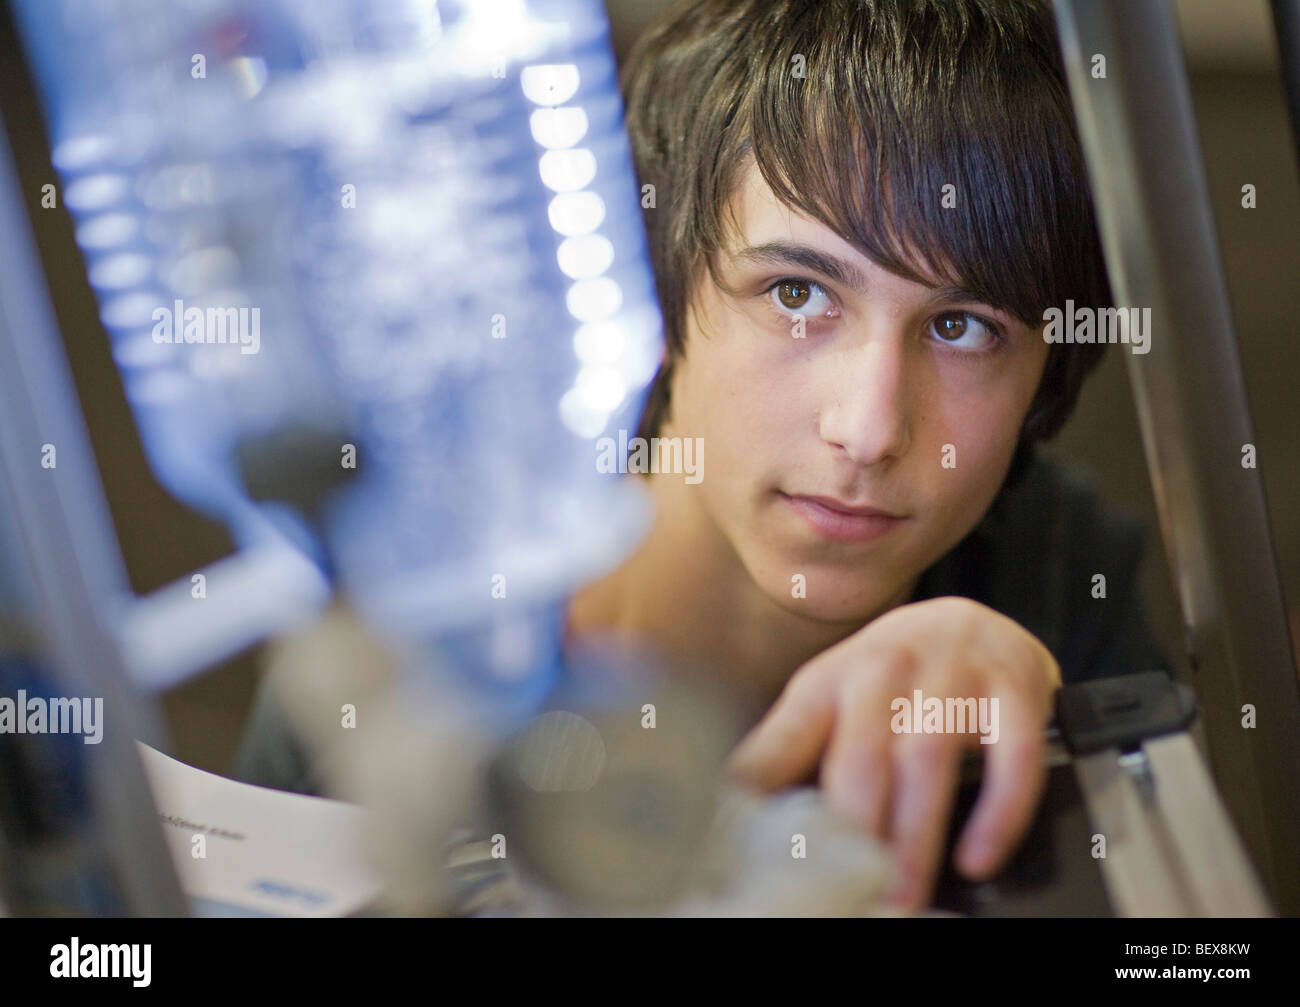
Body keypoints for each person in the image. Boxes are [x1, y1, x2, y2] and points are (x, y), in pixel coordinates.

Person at [236, 0, 1168, 912]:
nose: (870, 428)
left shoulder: (1056, 578)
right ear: (655, 300)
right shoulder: (417, 625)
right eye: (797, 294)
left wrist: (1060, 733)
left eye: (963, 327)